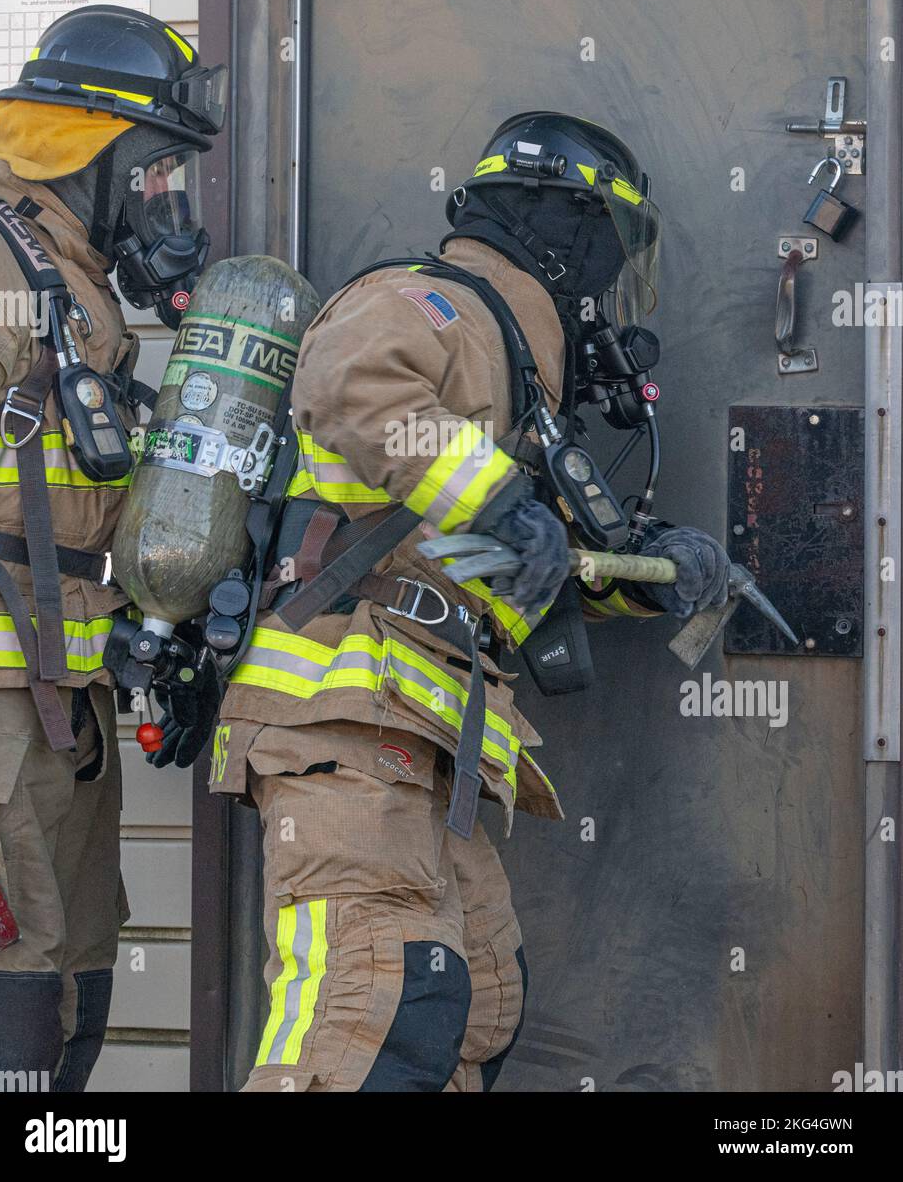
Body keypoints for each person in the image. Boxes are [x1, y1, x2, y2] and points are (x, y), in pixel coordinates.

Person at [208, 111, 729, 1092]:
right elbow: (349, 385)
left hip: (421, 743)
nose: (608, 298)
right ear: (569, 233)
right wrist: (497, 499)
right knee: (369, 1018)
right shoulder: (432, 304)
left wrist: (649, 572)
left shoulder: (516, 378)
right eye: (609, 259)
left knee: (472, 1006)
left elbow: (528, 571)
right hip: (342, 727)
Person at [0, 5, 226, 1089]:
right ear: (90, 148)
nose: (167, 200)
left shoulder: (62, 278)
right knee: (5, 993)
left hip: (59, 700)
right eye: (157, 170)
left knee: (69, 978)